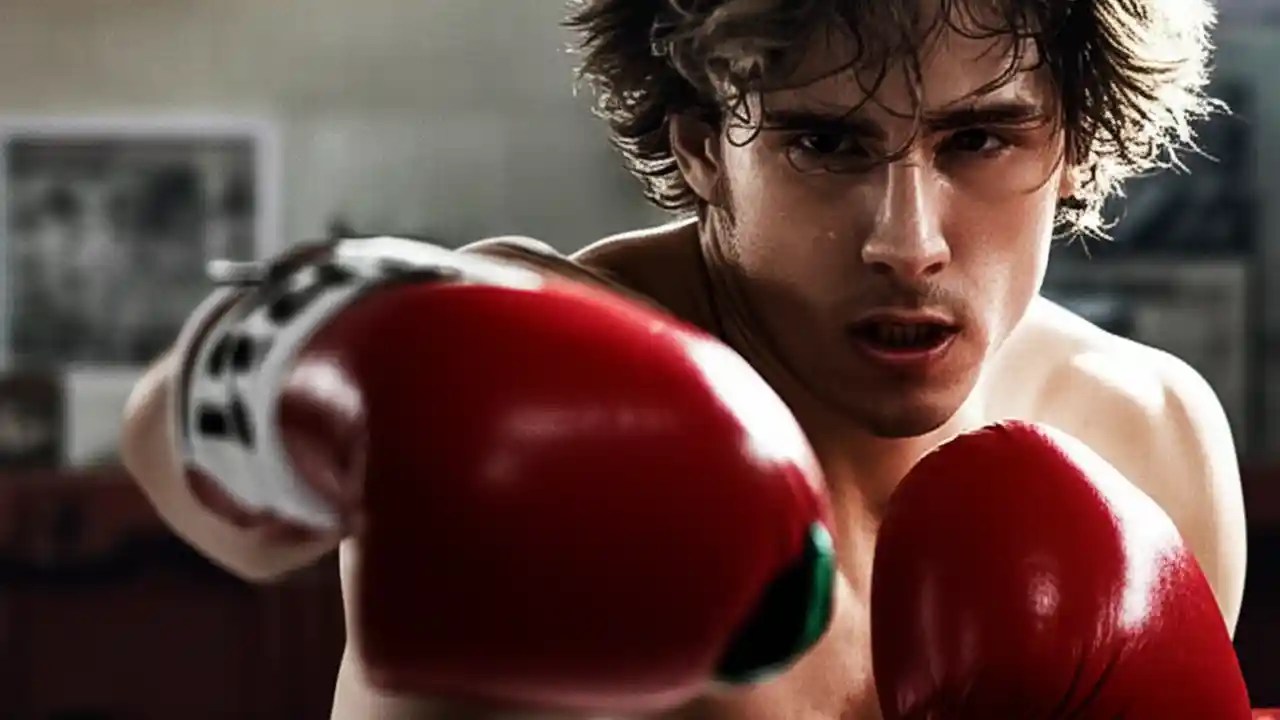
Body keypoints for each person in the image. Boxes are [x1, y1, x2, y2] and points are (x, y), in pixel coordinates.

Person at [118, 0, 1249, 718]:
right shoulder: (555, 342)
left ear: (1074, 140)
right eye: (823, 142)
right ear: (702, 144)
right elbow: (175, 445)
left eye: (979, 137)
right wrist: (306, 359)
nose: (905, 241)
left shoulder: (1143, 433)